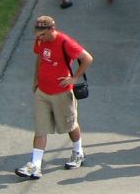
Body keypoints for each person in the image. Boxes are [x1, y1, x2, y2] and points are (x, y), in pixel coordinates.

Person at [15, 15, 91, 178]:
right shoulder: (41, 40)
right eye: (37, 34)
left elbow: (87, 58)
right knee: (41, 129)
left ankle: (78, 152)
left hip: (62, 93)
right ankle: (35, 165)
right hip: (43, 92)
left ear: (52, 29)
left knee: (70, 125)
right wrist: (36, 79)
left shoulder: (64, 42)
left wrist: (74, 78)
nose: (39, 38)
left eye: (42, 34)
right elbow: (40, 58)